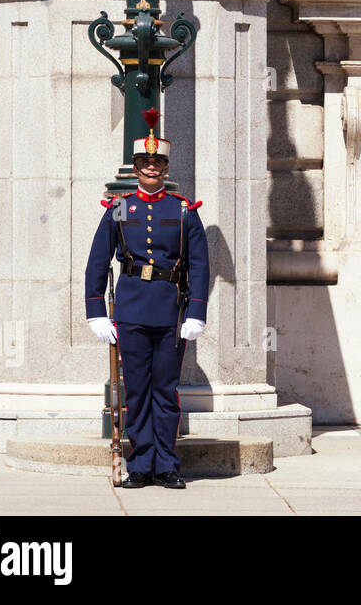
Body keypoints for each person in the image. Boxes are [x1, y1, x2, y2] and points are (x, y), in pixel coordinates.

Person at [85, 109, 208, 489]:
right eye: (144, 162)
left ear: (166, 168)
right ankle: (140, 465)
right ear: (136, 167)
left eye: (158, 163)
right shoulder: (120, 207)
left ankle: (167, 465)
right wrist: (96, 312)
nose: (151, 168)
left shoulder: (183, 209)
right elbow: (98, 261)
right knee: (136, 389)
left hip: (171, 310)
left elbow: (199, 264)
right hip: (132, 309)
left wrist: (196, 312)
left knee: (166, 391)